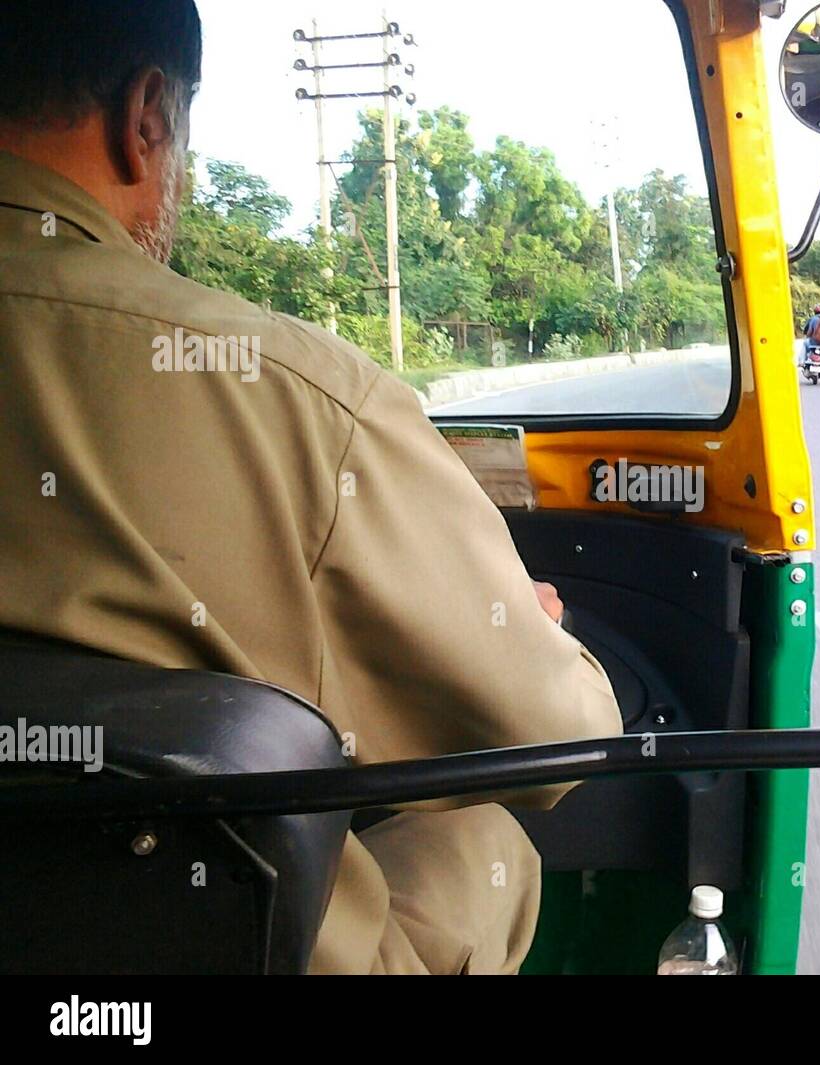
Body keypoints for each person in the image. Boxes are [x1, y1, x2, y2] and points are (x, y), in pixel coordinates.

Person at [0, 0, 621, 974]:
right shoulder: (304, 399)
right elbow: (558, 738)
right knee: (479, 834)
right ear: (147, 117)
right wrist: (530, 633)